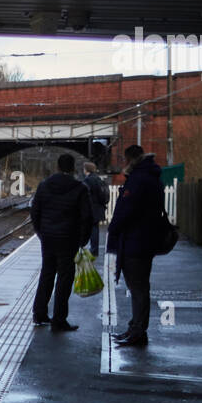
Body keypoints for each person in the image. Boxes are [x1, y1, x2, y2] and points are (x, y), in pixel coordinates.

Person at [30, 153, 94, 332]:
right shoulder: (80, 188)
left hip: (48, 239)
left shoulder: (44, 185)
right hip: (68, 239)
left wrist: (41, 233)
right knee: (64, 279)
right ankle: (59, 319)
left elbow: (35, 212)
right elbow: (86, 217)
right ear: (72, 168)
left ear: (57, 166)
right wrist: (83, 239)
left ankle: (39, 314)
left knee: (47, 274)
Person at [107, 144, 162, 347]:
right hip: (141, 239)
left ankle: (138, 331)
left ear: (129, 159)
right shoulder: (149, 177)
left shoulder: (139, 180)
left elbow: (126, 210)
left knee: (138, 288)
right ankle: (135, 327)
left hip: (136, 240)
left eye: (124, 160)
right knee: (137, 287)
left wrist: (114, 229)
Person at [81, 161, 109, 257]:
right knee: (95, 228)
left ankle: (91, 250)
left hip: (91, 208)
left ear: (86, 169)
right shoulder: (97, 179)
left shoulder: (88, 180)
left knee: (91, 229)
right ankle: (94, 250)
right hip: (98, 208)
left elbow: (85, 195)